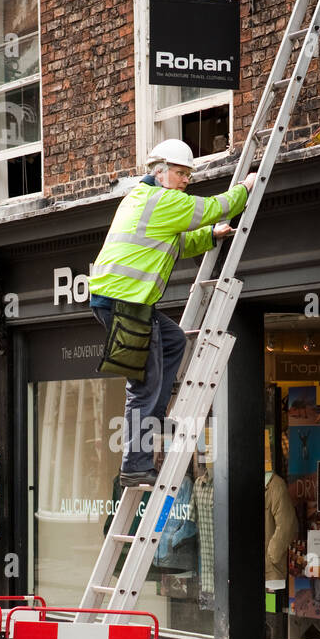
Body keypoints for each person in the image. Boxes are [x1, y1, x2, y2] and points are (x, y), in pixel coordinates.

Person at [90, 139, 257, 487]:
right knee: (143, 383)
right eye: (180, 173)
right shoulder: (162, 200)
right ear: (160, 171)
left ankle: (155, 417)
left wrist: (210, 236)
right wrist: (245, 188)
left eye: (187, 175)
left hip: (125, 300)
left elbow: (177, 244)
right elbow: (214, 206)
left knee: (173, 341)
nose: (185, 180)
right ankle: (136, 466)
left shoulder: (143, 200)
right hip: (126, 301)